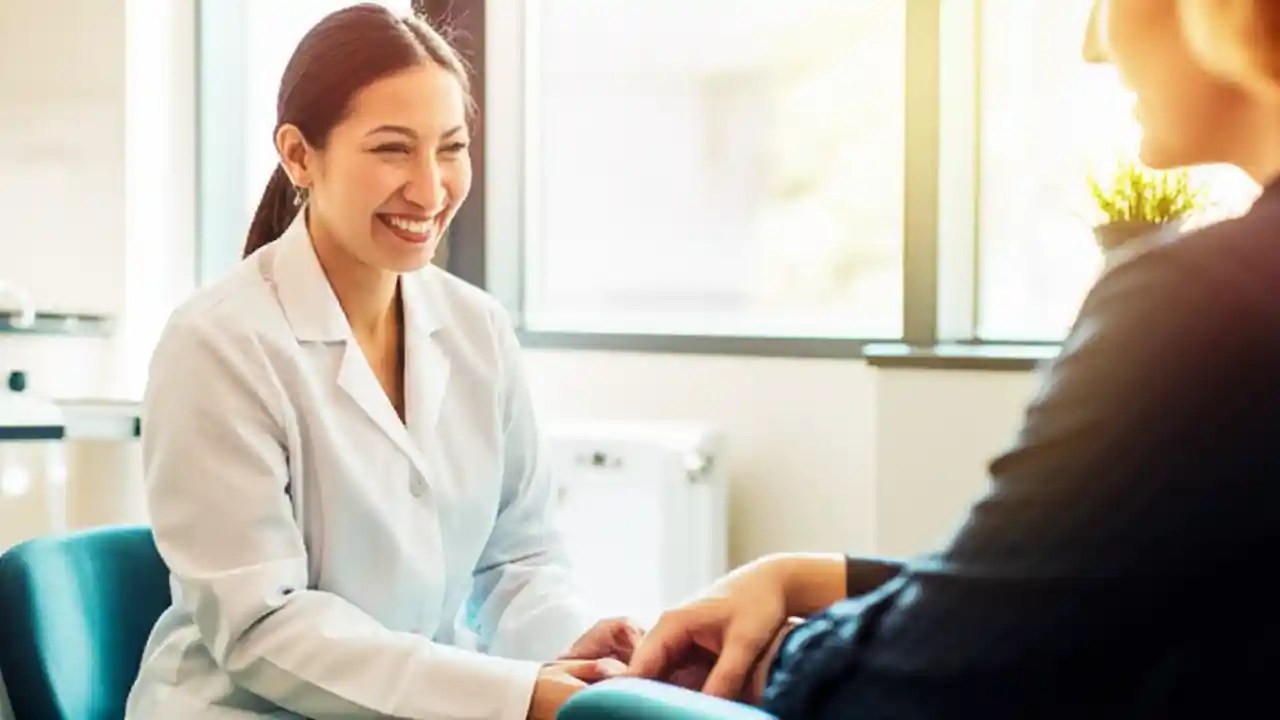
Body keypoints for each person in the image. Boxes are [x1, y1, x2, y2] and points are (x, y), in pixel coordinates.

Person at [628, 1, 1280, 717]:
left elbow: (933, 681)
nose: (1094, 44)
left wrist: (774, 659)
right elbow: (1084, 587)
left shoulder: (1205, 304)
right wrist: (810, 578)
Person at [125, 5, 639, 719]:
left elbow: (516, 559)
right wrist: (516, 697)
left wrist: (578, 643)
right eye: (393, 149)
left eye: (450, 148)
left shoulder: (476, 329)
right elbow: (262, 625)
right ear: (300, 155)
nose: (430, 190)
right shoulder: (218, 343)